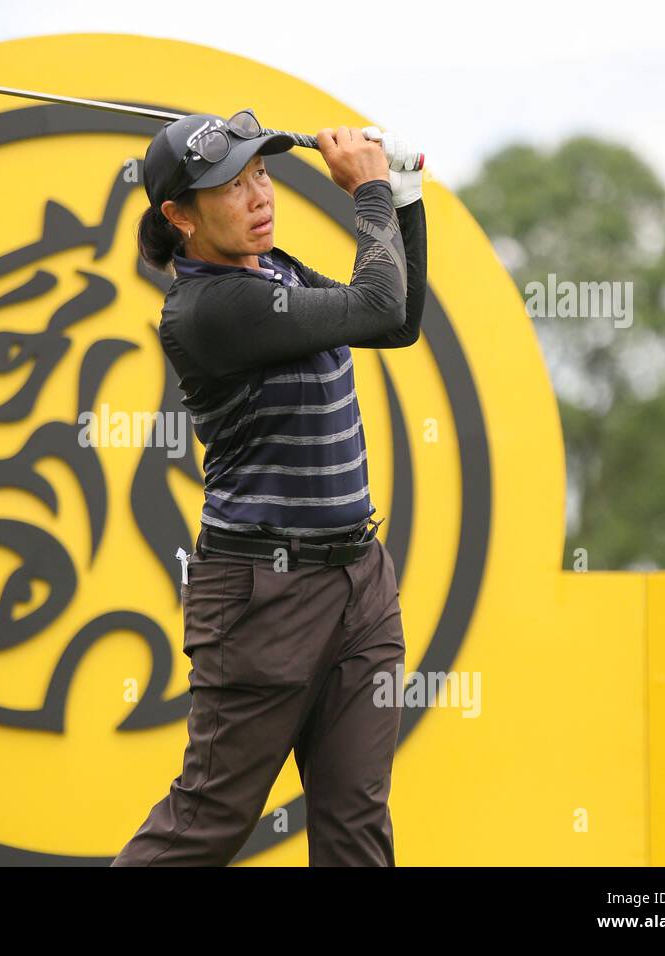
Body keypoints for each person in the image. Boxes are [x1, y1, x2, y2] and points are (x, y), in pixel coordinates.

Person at [111, 110, 427, 866]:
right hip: (261, 597)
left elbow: (398, 321)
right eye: (229, 185)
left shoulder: (274, 270)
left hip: (360, 583)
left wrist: (405, 194)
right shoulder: (210, 307)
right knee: (207, 823)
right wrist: (370, 193)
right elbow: (377, 303)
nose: (258, 195)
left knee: (355, 829)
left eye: (260, 173)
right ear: (179, 216)